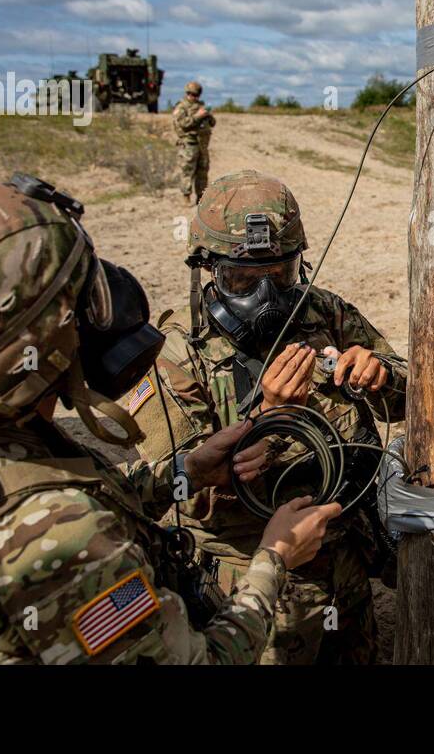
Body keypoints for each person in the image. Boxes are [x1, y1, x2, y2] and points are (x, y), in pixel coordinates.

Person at [0, 177, 338, 663]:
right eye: (81, 299)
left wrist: (185, 473)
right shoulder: (61, 542)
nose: (106, 310)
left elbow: (51, 490)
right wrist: (273, 559)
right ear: (34, 350)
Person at [122, 169, 406, 663]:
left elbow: (408, 398)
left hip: (344, 554)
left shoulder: (325, 314)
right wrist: (269, 419)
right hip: (253, 580)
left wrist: (381, 375)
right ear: (207, 269)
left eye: (280, 275)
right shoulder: (174, 355)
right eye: (242, 279)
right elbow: (181, 490)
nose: (266, 297)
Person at [173, 80, 215, 204]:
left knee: (202, 171)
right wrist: (197, 116)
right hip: (189, 145)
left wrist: (207, 115)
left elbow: (212, 123)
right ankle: (186, 196)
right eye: (191, 94)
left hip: (202, 144)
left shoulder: (201, 106)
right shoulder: (181, 107)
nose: (193, 97)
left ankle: (200, 197)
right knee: (187, 171)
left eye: (196, 95)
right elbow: (183, 124)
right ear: (187, 93)